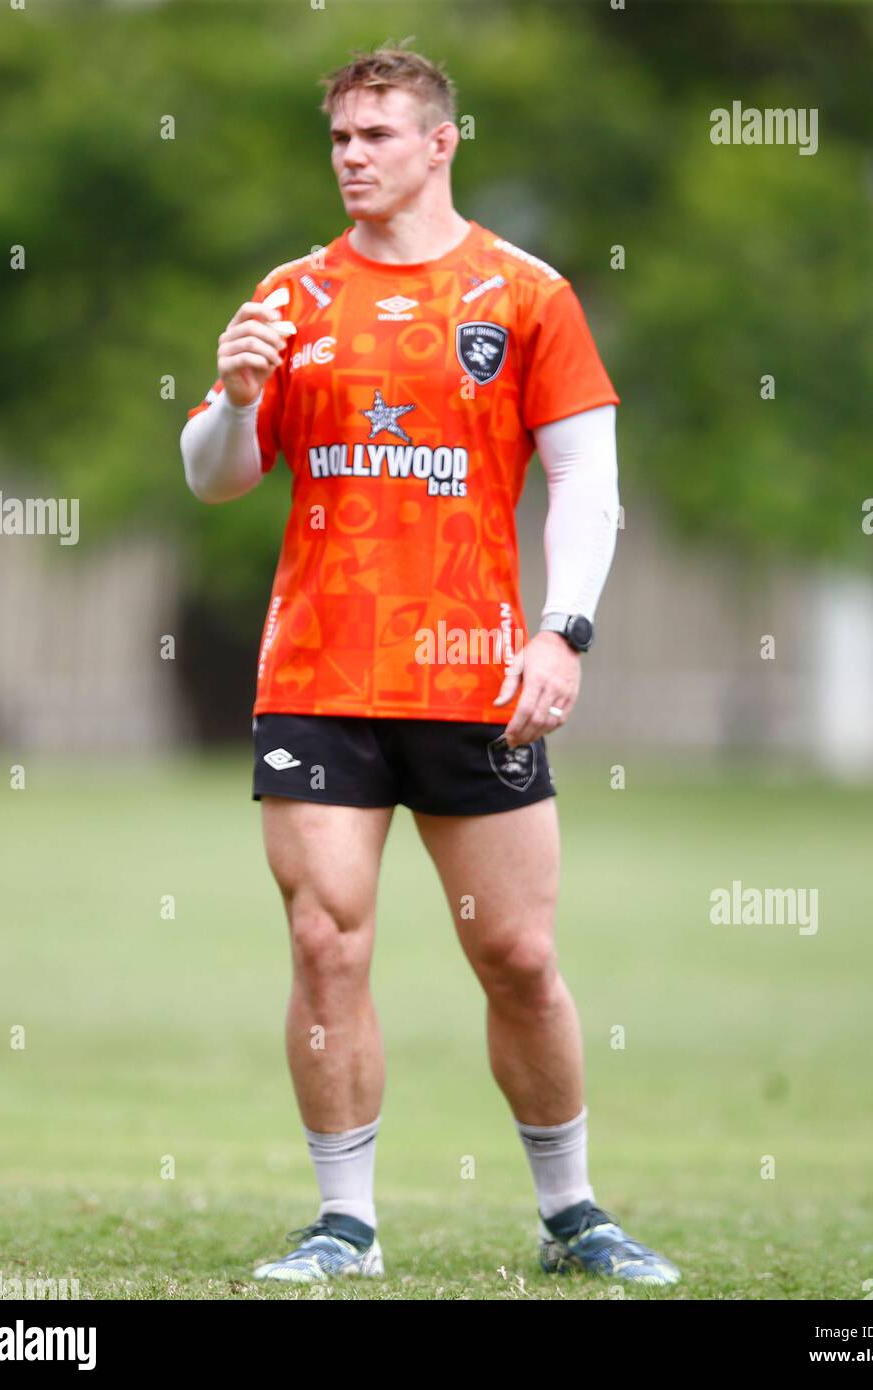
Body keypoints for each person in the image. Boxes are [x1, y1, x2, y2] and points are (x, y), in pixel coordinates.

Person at [180, 42, 680, 1290]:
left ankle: (570, 1212)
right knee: (324, 942)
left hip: (475, 677)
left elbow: (584, 483)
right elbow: (214, 474)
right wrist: (238, 399)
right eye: (340, 137)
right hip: (319, 675)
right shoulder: (290, 298)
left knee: (514, 956)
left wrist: (562, 631)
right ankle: (343, 1221)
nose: (353, 157)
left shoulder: (524, 295)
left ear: (439, 141)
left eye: (378, 135)